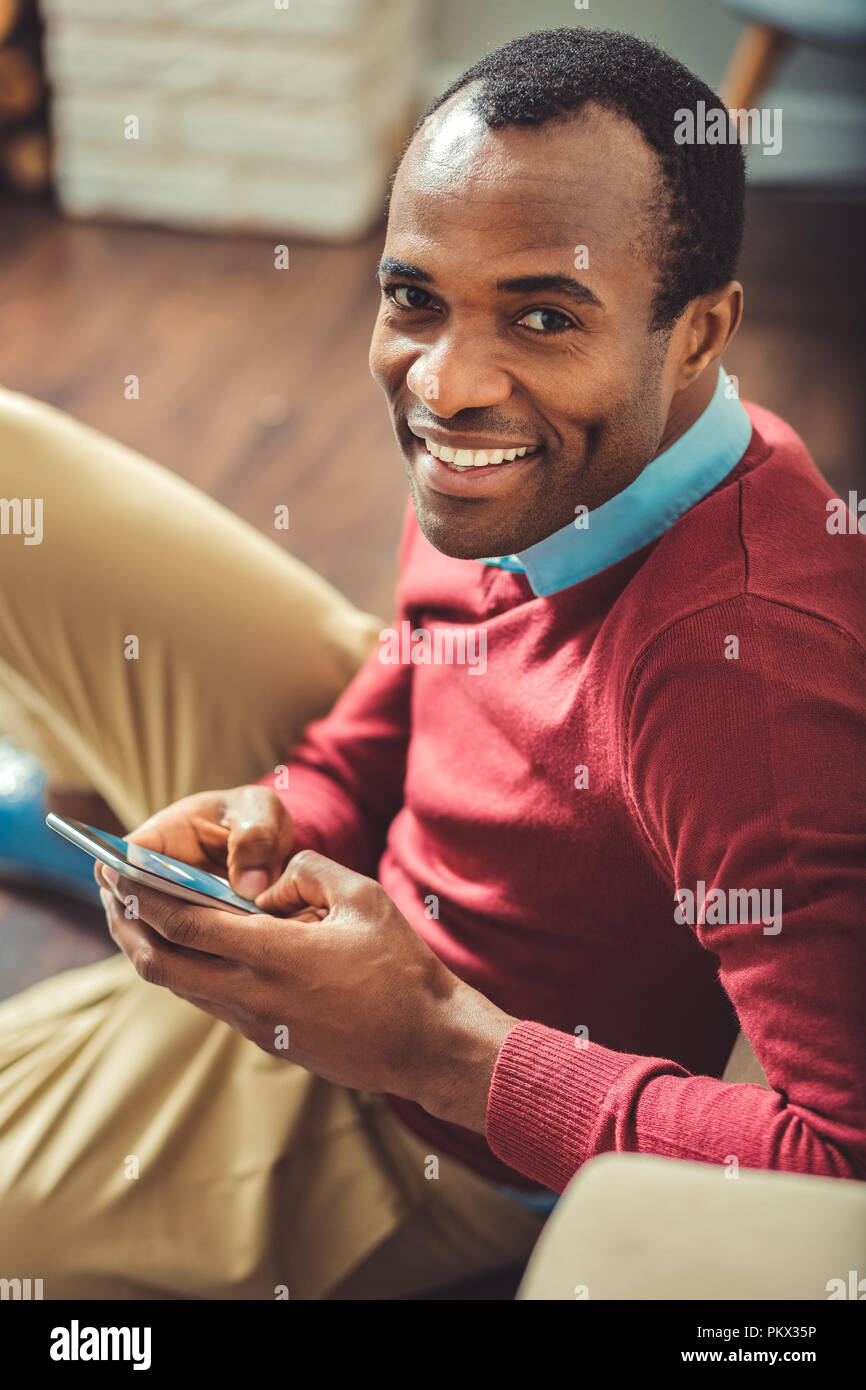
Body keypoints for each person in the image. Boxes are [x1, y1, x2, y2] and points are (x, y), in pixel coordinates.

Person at [0, 28, 863, 1301]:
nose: (443, 385)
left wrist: (436, 1046)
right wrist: (293, 805)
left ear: (698, 335)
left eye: (541, 314)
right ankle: (83, 812)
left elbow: (834, 1169)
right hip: (393, 905)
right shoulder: (525, 458)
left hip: (423, 1125)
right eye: (414, 297)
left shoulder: (740, 686)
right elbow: (417, 660)